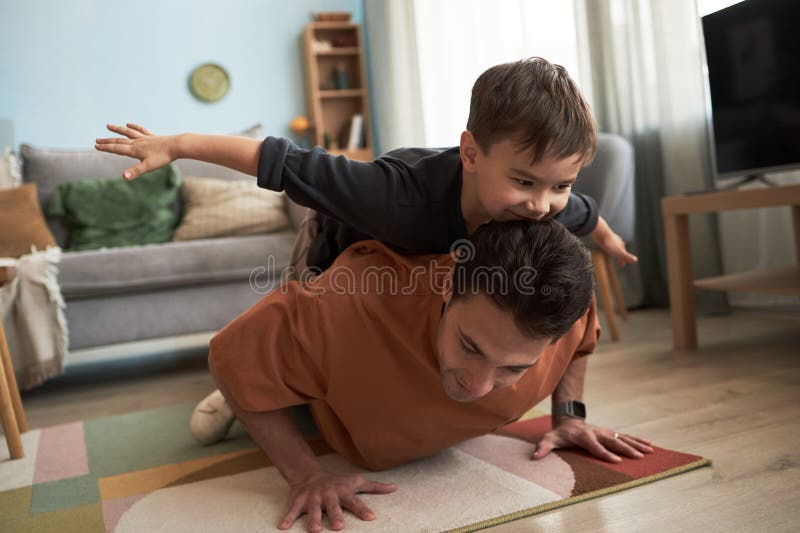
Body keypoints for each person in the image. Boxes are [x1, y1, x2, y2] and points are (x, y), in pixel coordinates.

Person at [94, 57, 638, 443]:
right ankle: (242, 392)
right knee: (302, 338)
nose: (542, 204)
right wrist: (179, 145)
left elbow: (579, 210)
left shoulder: (537, 204)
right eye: (524, 182)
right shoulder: (394, 196)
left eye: (558, 185)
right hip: (335, 252)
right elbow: (283, 162)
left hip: (424, 265)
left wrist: (608, 237)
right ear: (471, 154)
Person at [207, 220, 652, 532]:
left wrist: (569, 415)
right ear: (448, 284)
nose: (478, 386)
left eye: (513, 368)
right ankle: (262, 386)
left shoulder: (563, 311)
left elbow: (583, 333)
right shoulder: (347, 306)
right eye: (470, 347)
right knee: (260, 361)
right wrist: (305, 475)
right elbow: (227, 354)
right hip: (330, 251)